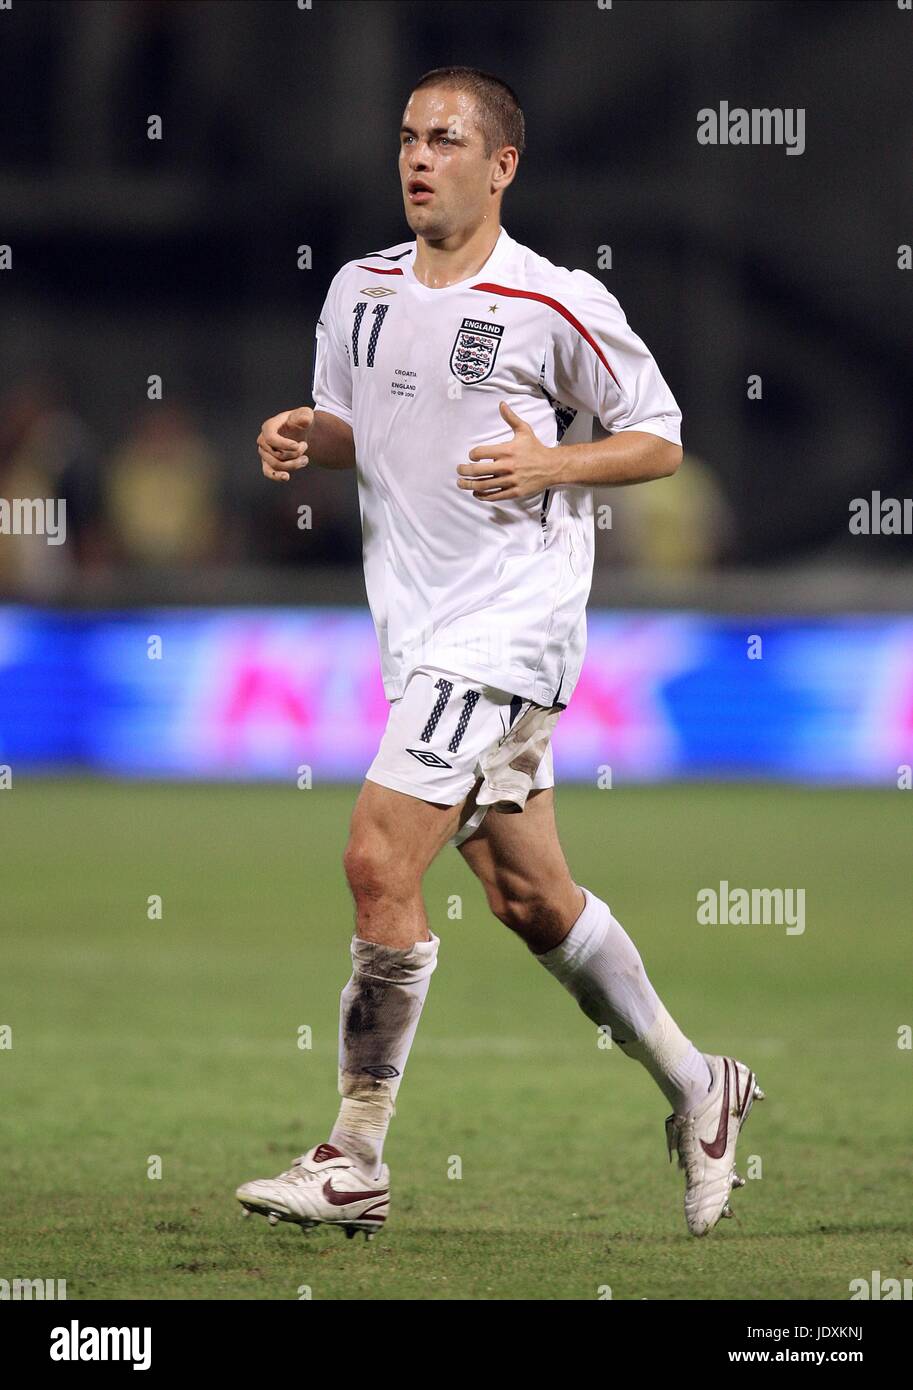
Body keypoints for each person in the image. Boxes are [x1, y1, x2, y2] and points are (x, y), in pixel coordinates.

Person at [237, 67, 762, 1242]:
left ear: (501, 165)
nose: (420, 157)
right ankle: (698, 1081)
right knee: (530, 897)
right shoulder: (358, 292)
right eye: (410, 138)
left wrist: (551, 466)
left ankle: (355, 1154)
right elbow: (366, 430)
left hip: (507, 627)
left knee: (379, 855)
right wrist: (305, 434)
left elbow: (660, 438)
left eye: (447, 139)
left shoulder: (554, 301)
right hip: (416, 632)